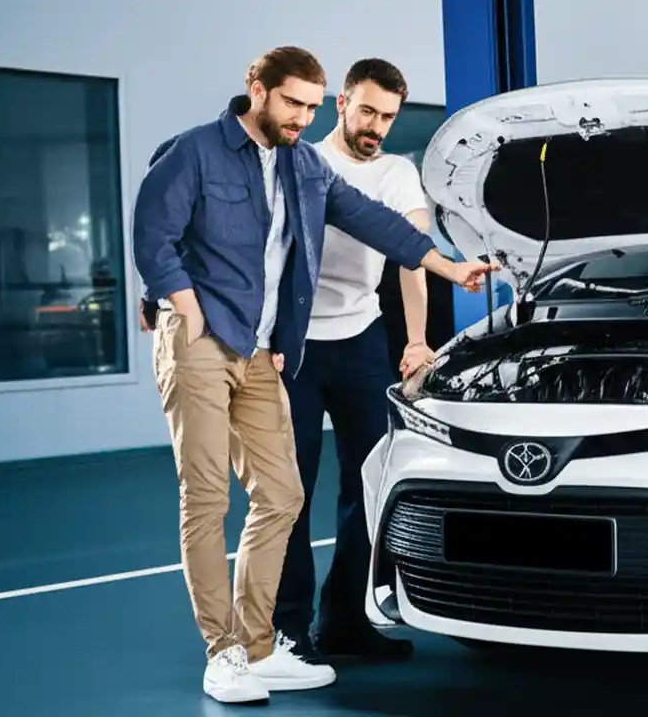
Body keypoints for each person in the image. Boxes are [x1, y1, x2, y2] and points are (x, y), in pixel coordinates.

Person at [132, 45, 495, 705]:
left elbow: (377, 223)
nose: (301, 117)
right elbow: (153, 235)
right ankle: (224, 652)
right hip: (200, 342)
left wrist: (449, 267)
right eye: (292, 102)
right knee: (206, 500)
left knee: (283, 495)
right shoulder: (195, 151)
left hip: (261, 350)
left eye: (308, 105)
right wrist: (183, 308)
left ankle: (261, 646)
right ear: (258, 89)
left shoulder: (303, 165)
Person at [265, 57, 430, 663]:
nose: (375, 126)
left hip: (362, 339)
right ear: (341, 104)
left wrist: (416, 340)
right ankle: (287, 627)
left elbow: (414, 254)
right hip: (296, 346)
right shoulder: (303, 163)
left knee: (371, 483)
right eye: (366, 111)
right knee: (292, 489)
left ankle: (345, 620)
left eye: (387, 117)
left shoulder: (398, 173)